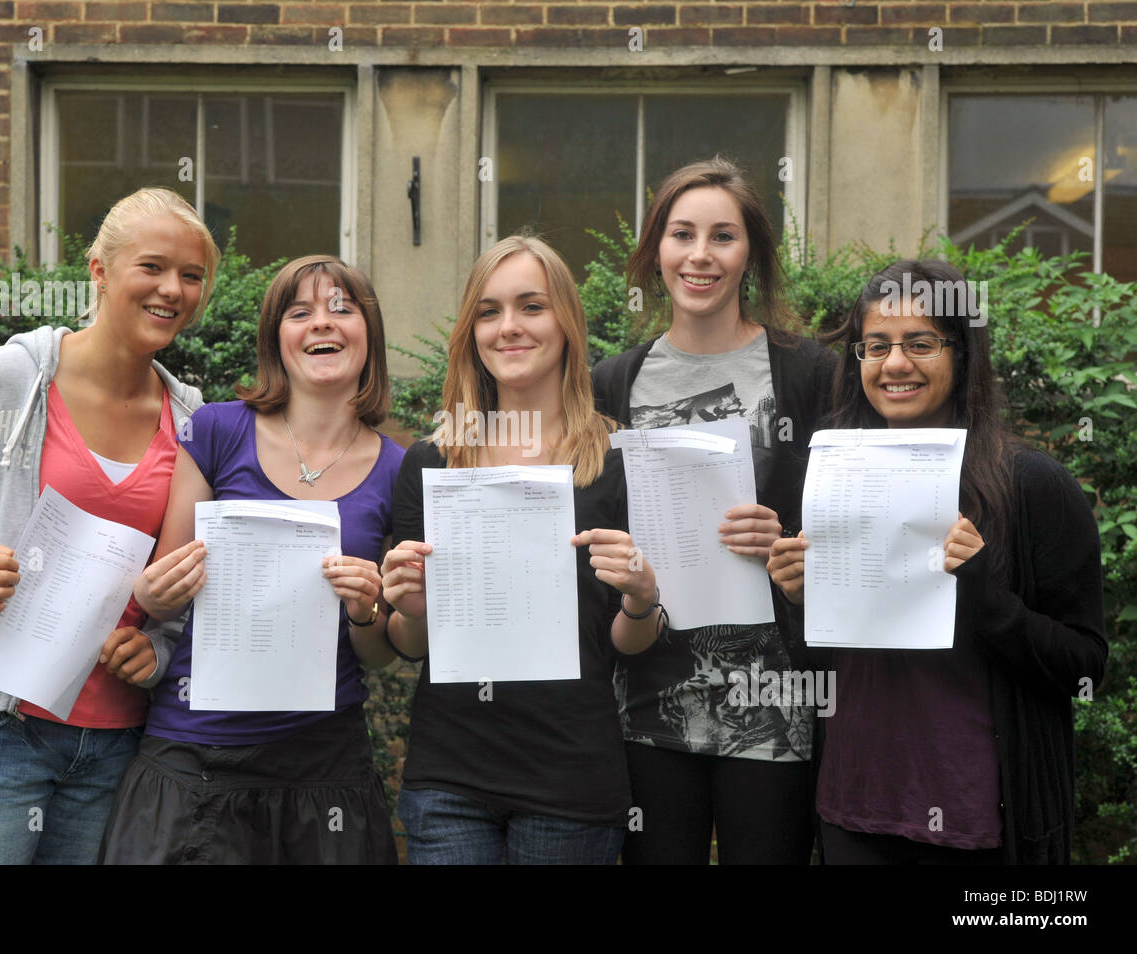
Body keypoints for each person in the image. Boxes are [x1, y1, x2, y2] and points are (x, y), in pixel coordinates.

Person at [0, 187, 219, 864]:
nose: (172, 289)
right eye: (152, 266)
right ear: (99, 270)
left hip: (116, 743)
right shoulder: (2, 380)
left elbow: (182, 583)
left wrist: (160, 654)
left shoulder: (195, 421)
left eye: (192, 275)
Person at [767, 259, 1107, 864]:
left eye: (920, 343)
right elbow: (819, 666)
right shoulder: (833, 478)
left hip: (979, 816)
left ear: (962, 353)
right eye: (876, 346)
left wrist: (987, 597)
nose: (895, 364)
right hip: (856, 804)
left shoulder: (1030, 485)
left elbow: (1083, 666)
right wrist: (797, 602)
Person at [99, 255, 401, 865]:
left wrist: (367, 610)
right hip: (195, 760)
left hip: (324, 769)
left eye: (343, 309)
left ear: (369, 334)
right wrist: (155, 593)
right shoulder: (216, 431)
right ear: (276, 339)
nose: (323, 323)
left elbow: (381, 655)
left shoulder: (399, 469)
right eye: (300, 312)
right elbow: (160, 594)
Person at [381, 234, 663, 865]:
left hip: (571, 778)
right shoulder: (432, 461)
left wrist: (642, 598)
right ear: (470, 331)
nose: (508, 327)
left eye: (531, 306)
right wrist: (408, 605)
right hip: (447, 776)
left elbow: (628, 643)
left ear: (566, 320)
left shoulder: (619, 460)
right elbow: (408, 645)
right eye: (489, 311)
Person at [590, 158, 833, 864]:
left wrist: (789, 540)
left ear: (750, 252)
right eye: (681, 234)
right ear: (655, 251)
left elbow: (848, 519)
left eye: (722, 236)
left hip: (777, 700)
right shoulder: (614, 381)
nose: (700, 255)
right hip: (649, 700)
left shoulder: (806, 371)